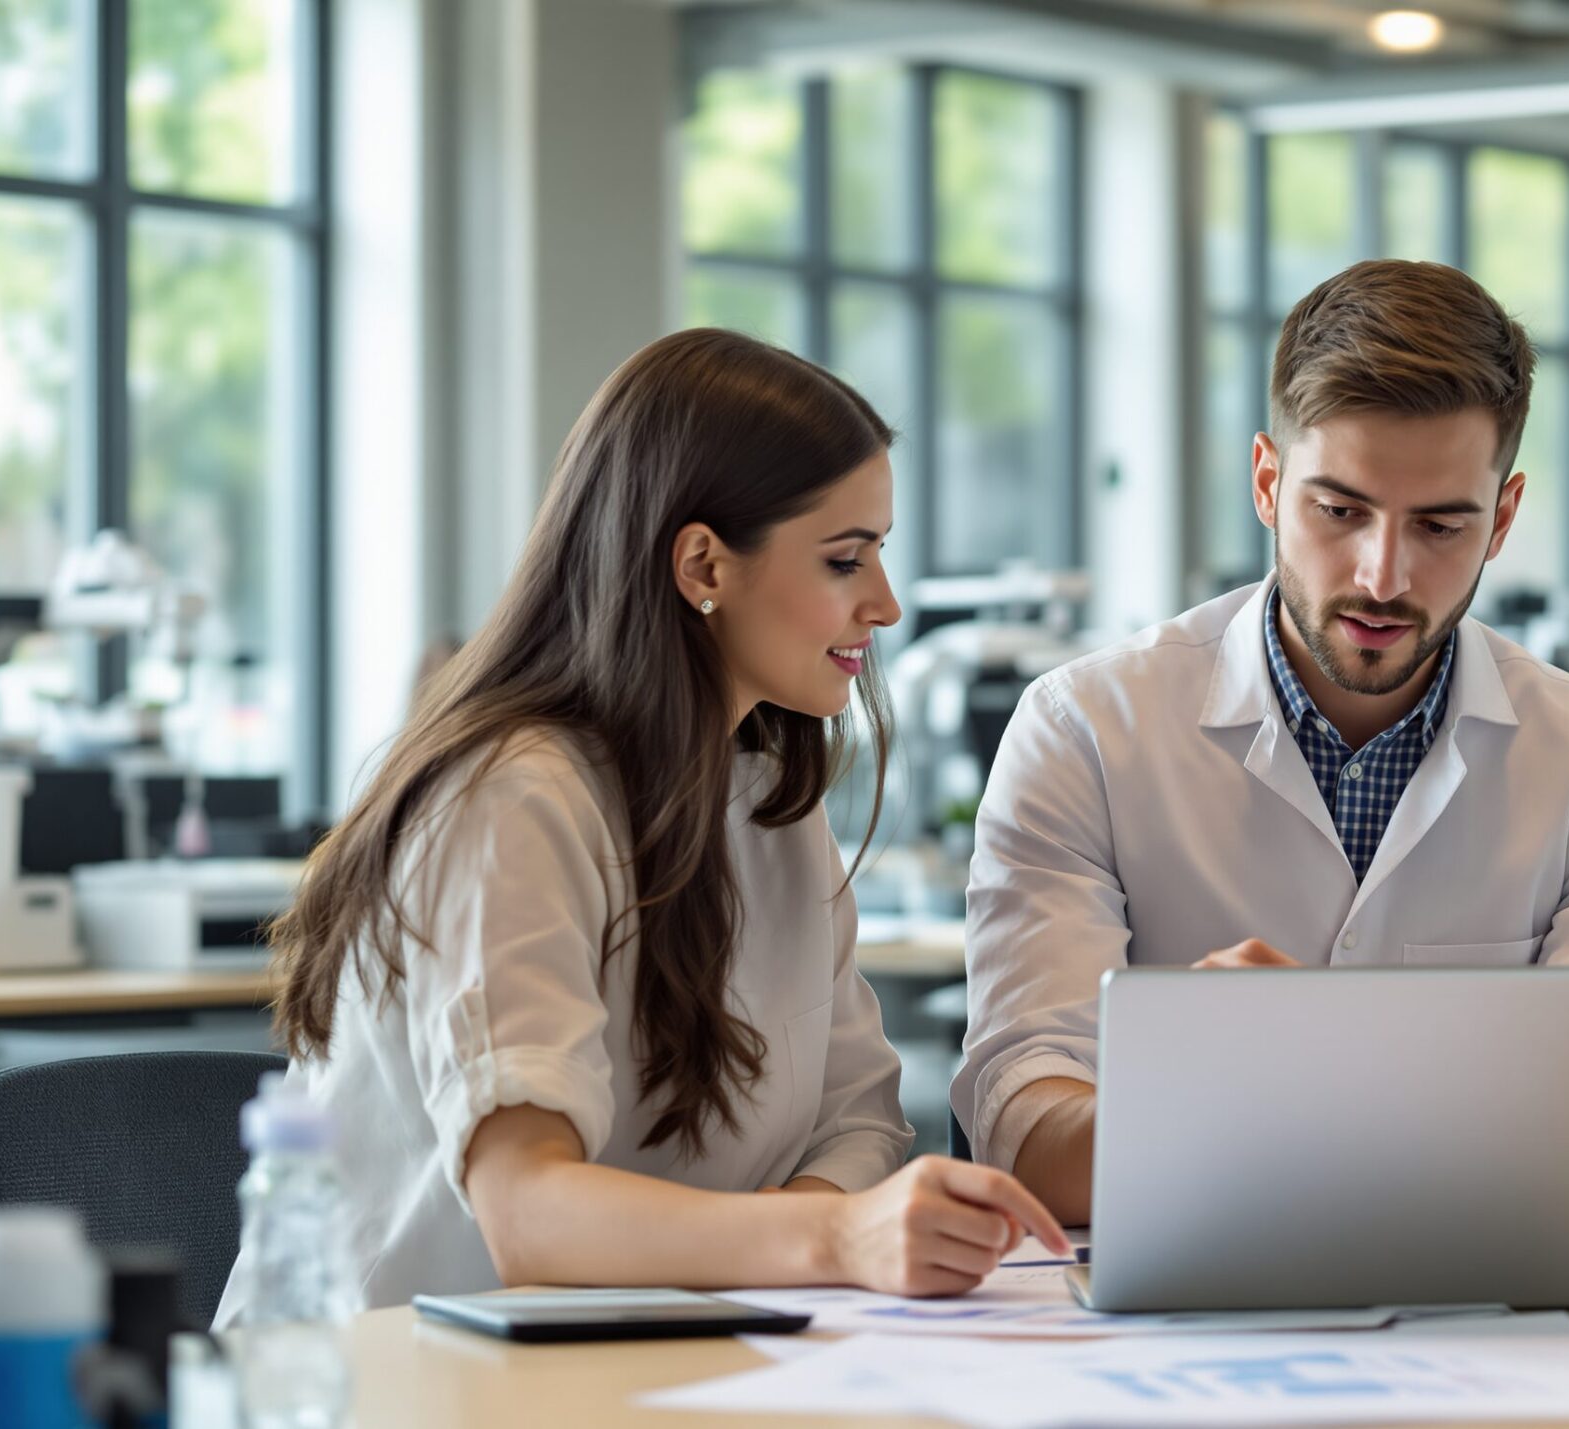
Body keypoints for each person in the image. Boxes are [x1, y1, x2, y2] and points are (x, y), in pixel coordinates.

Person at [220, 330, 1066, 1320]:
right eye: (845, 559)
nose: (883, 604)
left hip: (656, 1357)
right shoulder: (509, 799)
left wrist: (787, 1246)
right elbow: (528, 1215)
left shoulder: (769, 802)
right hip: (382, 1381)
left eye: (879, 553)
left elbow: (860, 1122)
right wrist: (830, 1238)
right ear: (703, 564)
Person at [957, 259, 1569, 1226]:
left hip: (1482, 1304)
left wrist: (1309, 1089)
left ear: (1503, 518)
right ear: (1268, 482)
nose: (1382, 576)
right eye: (1339, 511)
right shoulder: (1083, 730)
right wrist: (1190, 1072)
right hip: (1180, 1296)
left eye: (1440, 525)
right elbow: (1022, 1133)